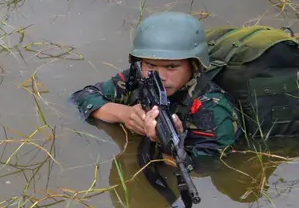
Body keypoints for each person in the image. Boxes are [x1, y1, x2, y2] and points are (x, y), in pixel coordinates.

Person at [71, 11, 240, 158]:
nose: (160, 76)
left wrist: (167, 143)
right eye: (151, 65)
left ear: (194, 65)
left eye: (172, 67)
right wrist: (124, 114)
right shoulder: (139, 77)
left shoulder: (212, 107)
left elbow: (210, 166)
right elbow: (83, 96)